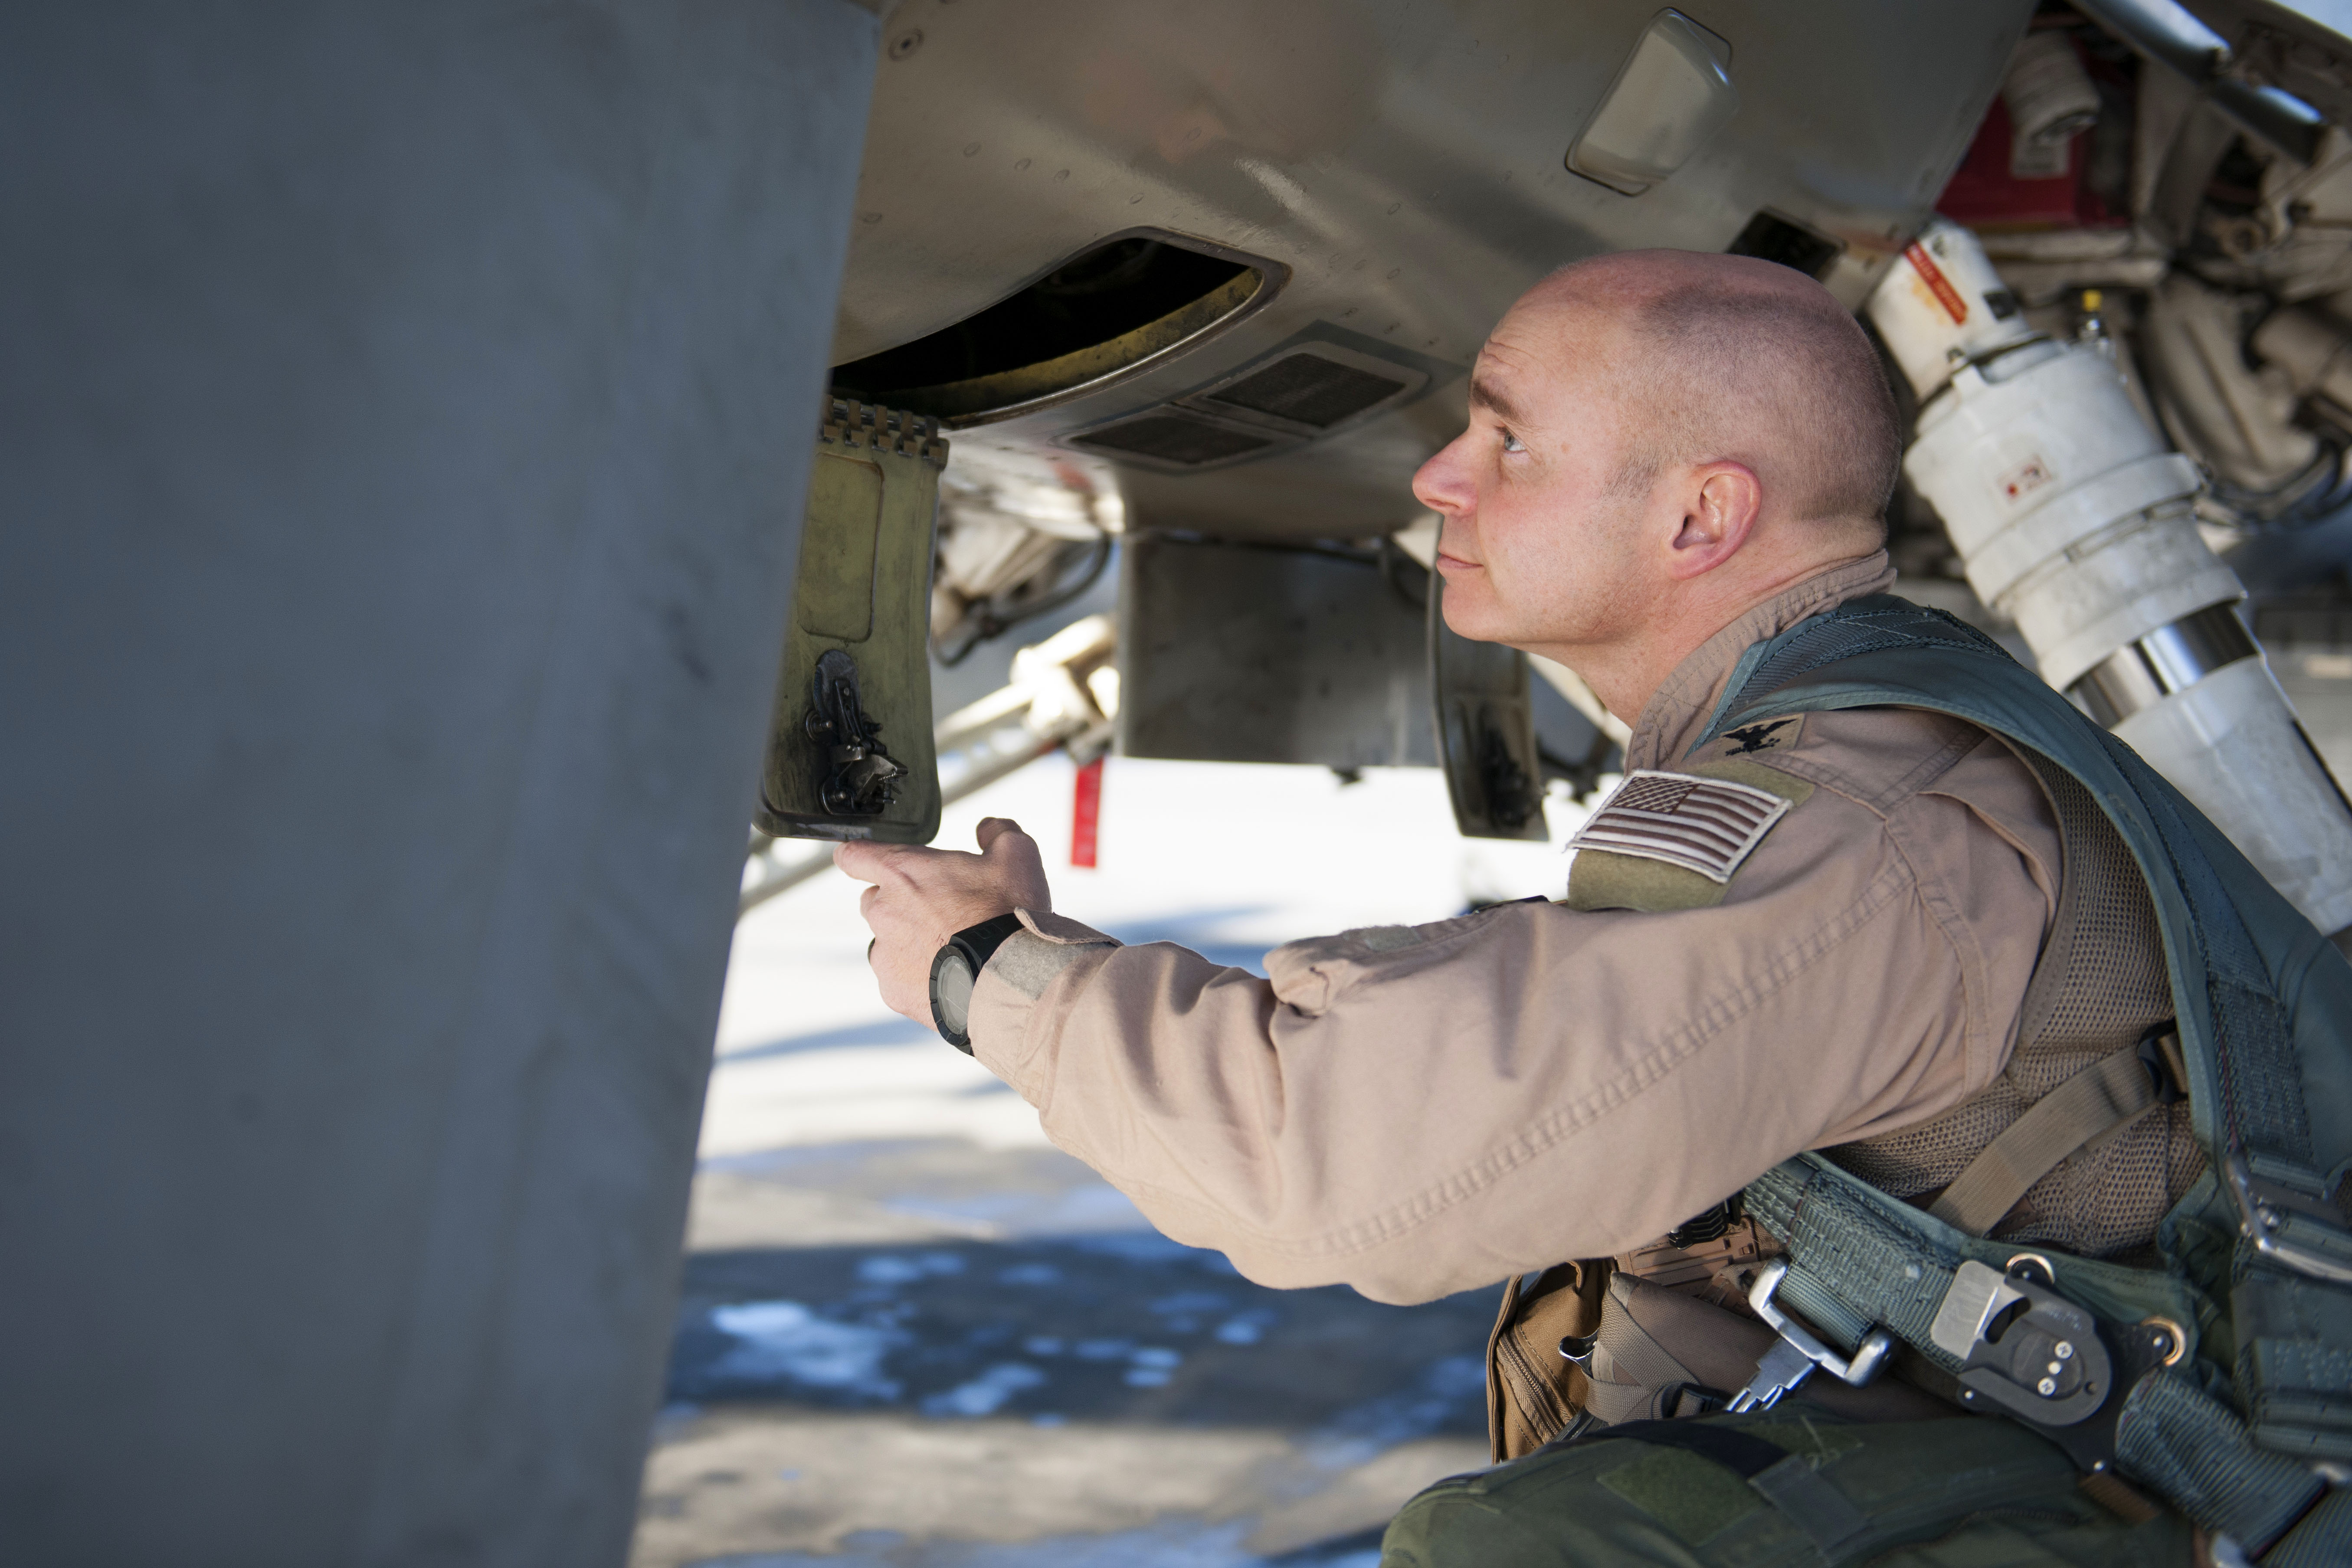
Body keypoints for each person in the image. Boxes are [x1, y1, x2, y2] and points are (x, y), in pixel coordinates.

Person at [840, 251, 2339, 1563]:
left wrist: (987, 973)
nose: (1439, 476)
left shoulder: (1857, 820)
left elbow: (1343, 1157)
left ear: (1703, 520)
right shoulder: (1869, 724)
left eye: (1509, 441)